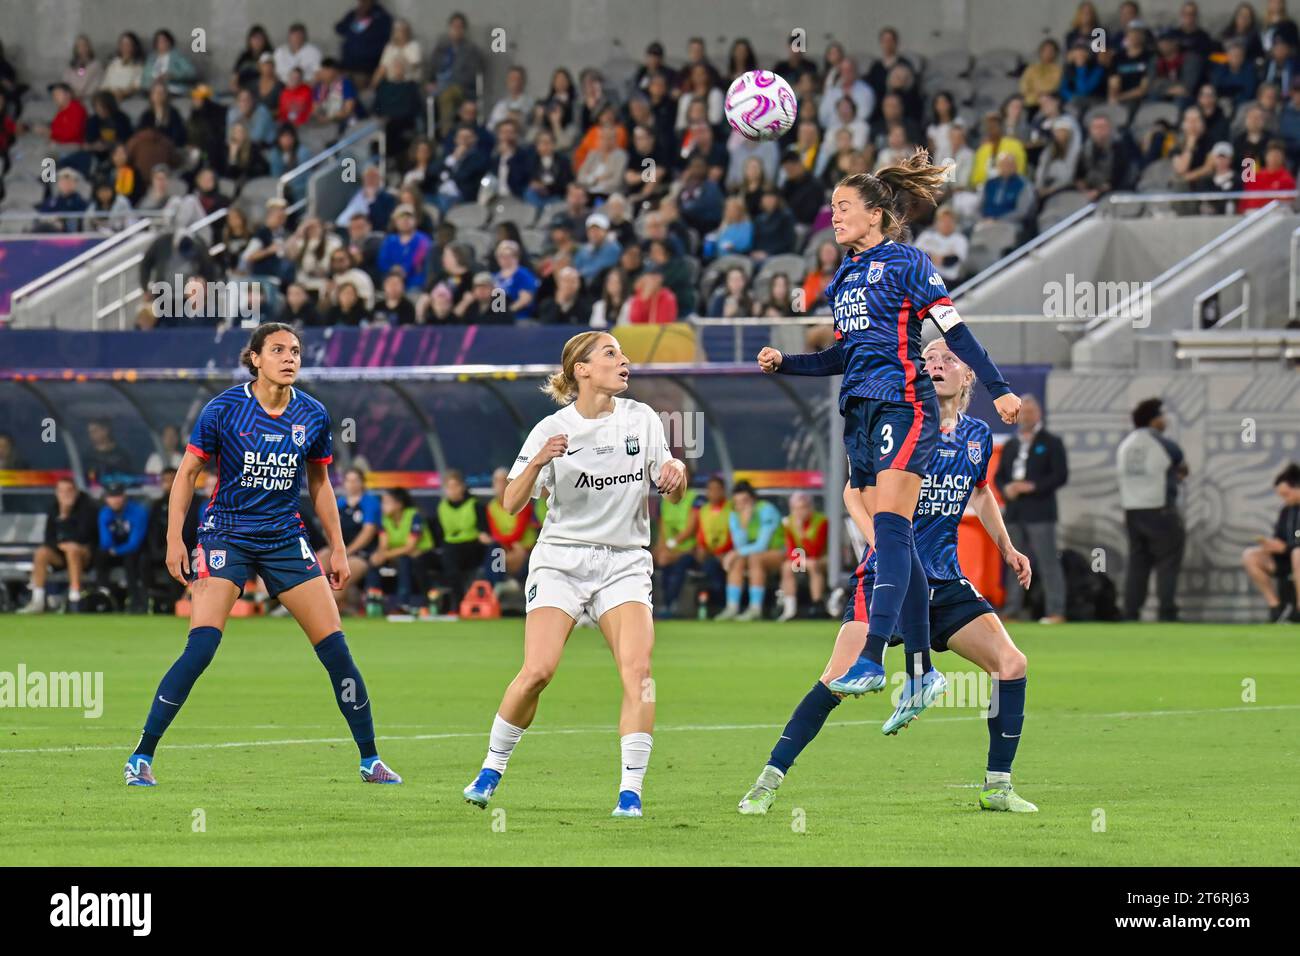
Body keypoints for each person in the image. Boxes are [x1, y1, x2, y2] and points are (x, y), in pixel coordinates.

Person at [758, 150, 1020, 735]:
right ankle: (922, 670)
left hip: (905, 405)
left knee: (893, 531)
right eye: (832, 209)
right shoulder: (844, 277)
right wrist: (788, 364)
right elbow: (844, 355)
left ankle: (876, 657)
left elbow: (955, 330)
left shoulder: (907, 262)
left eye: (845, 207)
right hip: (861, 413)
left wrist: (999, 387)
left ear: (877, 214)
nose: (836, 216)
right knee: (892, 534)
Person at [738, 337, 1036, 814]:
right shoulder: (897, 424)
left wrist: (1008, 547)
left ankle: (997, 787)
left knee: (1012, 664)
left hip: (943, 578)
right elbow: (855, 493)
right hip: (886, 576)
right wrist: (881, 540)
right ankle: (767, 782)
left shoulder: (978, 435)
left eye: (948, 360)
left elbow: (981, 494)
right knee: (836, 679)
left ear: (968, 377)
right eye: (928, 359)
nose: (936, 365)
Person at [122, 323, 402, 787]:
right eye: (278, 350)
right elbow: (188, 473)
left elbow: (319, 484)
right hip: (225, 536)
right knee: (202, 647)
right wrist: (176, 539)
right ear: (255, 358)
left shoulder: (312, 415)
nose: (290, 357)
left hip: (283, 540)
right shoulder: (224, 409)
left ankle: (370, 760)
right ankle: (140, 756)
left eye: (295, 350)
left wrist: (336, 548)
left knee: (336, 651)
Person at [461, 331, 688, 818]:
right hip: (561, 559)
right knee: (538, 672)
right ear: (581, 370)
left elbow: (671, 479)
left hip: (624, 562)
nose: (623, 360)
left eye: (622, 354)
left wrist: (677, 475)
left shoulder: (642, 418)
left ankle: (631, 793)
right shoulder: (551, 429)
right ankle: (492, 766)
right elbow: (510, 504)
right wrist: (538, 461)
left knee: (640, 674)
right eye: (611, 354)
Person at [994, 395, 1069, 624]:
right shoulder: (1011, 445)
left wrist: (1032, 486)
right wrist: (1007, 489)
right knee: (1012, 562)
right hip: (1015, 512)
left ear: (1039, 414)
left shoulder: (1052, 442)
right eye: (1022, 412)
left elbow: (1060, 475)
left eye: (1030, 411)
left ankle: (1056, 610)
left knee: (1048, 562)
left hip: (1040, 513)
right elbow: (999, 476)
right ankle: (1012, 609)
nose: (1026, 416)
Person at [1116, 397, 1188, 622]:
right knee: (1168, 563)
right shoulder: (1163, 443)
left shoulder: (1125, 445)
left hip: (1133, 510)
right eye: (1161, 416)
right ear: (1154, 419)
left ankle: (1131, 611)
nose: (1165, 421)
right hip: (1160, 510)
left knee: (1138, 564)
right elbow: (1181, 466)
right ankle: (1166, 611)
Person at [16, 477, 98, 614]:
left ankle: (75, 599)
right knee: (42, 552)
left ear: (76, 492)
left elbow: (84, 535)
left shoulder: (88, 507)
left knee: (73, 550)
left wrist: (65, 518)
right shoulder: (54, 509)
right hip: (61, 554)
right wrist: (62, 516)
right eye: (62, 491)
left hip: (84, 555)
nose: (66, 494)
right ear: (57, 493)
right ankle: (38, 600)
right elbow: (49, 538)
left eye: (69, 490)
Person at [715, 481, 784, 621]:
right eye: (737, 502)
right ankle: (732, 607)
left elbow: (762, 545)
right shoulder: (734, 516)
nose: (741, 506)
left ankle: (755, 608)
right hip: (752, 555)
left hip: (779, 553)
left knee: (754, 558)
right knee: (738, 560)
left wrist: (735, 553)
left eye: (745, 501)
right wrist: (744, 525)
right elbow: (740, 546)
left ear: (753, 500)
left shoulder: (766, 510)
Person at [1241, 463, 1300, 622]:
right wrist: (1270, 545)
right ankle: (1276, 607)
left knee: (1298, 554)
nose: (1284, 499)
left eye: (1286, 494)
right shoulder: (1286, 511)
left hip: (1296, 557)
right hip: (1286, 559)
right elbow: (1280, 538)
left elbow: (1293, 545)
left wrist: (1287, 548)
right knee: (1250, 555)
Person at [652, 465, 700, 618]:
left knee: (677, 567)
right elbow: (662, 528)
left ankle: (670, 604)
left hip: (688, 549)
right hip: (669, 549)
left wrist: (671, 546)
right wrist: (661, 548)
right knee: (647, 562)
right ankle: (646, 606)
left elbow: (691, 528)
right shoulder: (664, 499)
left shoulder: (694, 498)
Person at [94, 483, 149, 613]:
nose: (115, 500)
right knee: (100, 556)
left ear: (124, 496)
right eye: (111, 496)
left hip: (134, 551)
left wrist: (117, 550)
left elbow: (135, 543)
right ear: (106, 498)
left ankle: (135, 602)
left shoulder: (137, 512)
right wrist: (112, 550)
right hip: (114, 550)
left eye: (118, 496)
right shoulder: (105, 513)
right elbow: (105, 542)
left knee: (131, 561)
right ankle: (104, 596)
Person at [779, 492, 829, 622]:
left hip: (822, 558)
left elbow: (816, 550)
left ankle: (817, 605)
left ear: (810, 507)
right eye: (796, 508)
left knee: (813, 564)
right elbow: (790, 548)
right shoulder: (788, 523)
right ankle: (790, 609)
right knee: (786, 567)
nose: (801, 511)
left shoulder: (821, 521)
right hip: (801, 557)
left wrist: (801, 533)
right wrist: (800, 559)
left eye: (804, 507)